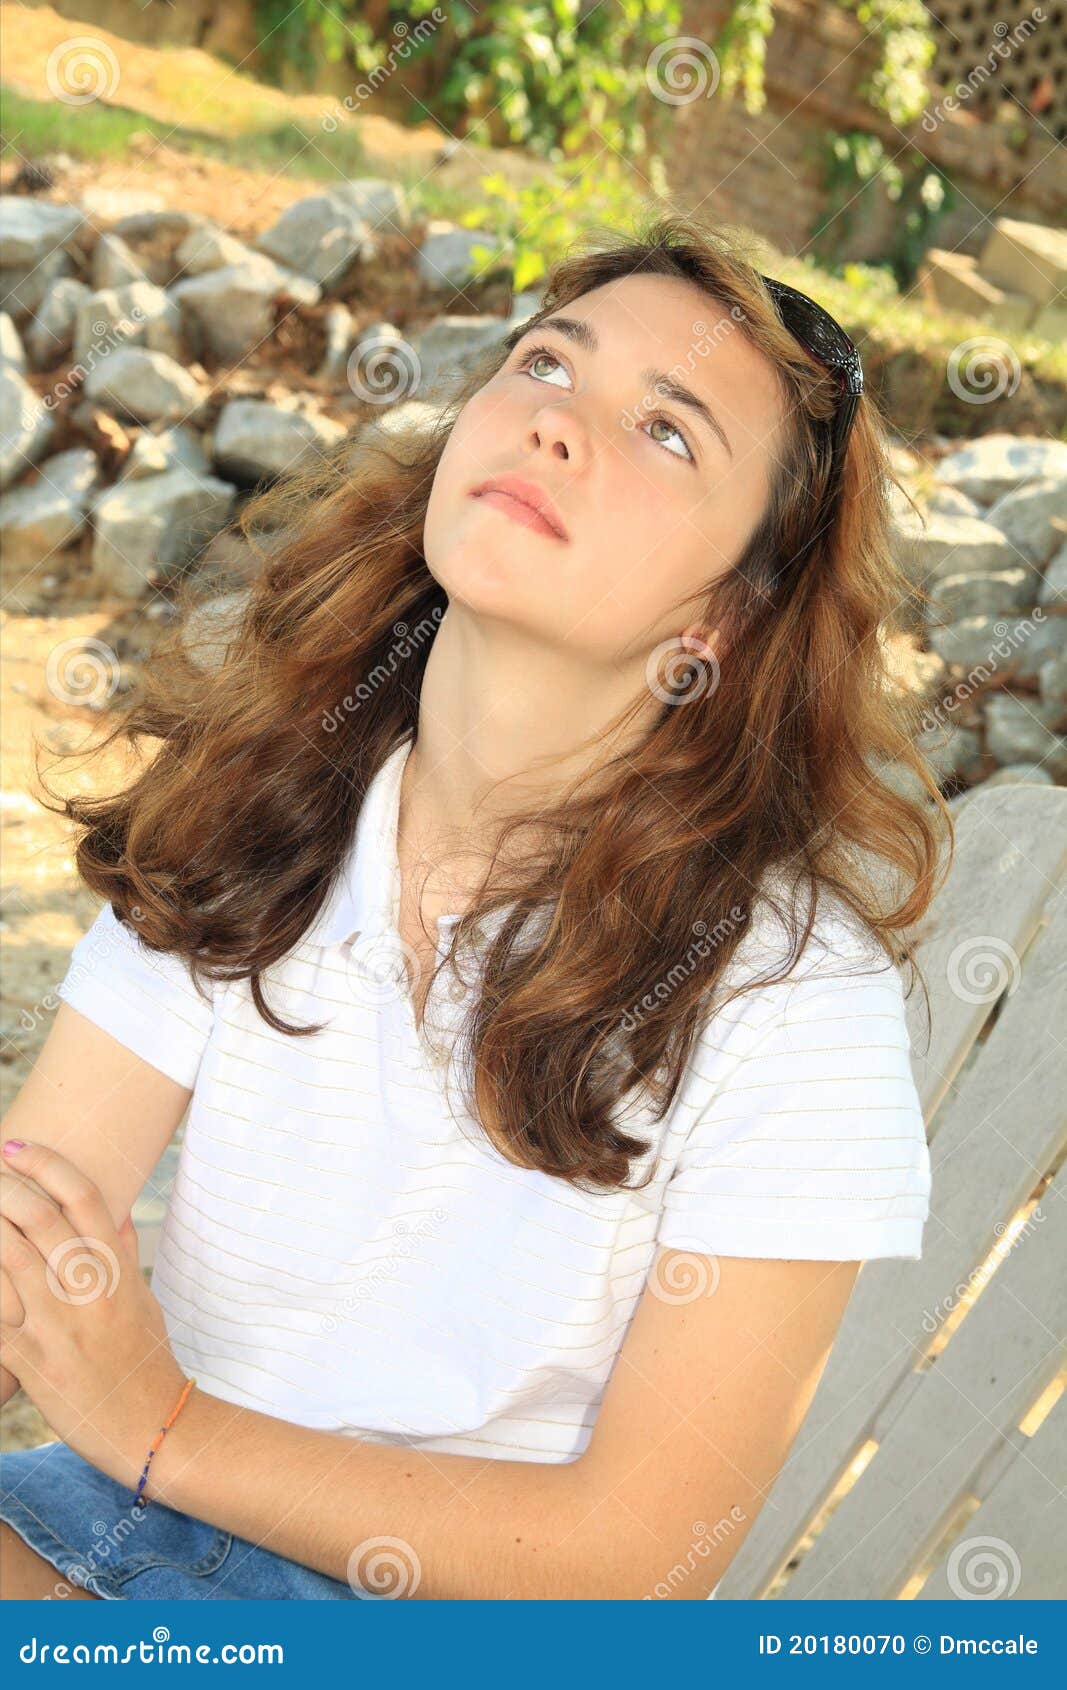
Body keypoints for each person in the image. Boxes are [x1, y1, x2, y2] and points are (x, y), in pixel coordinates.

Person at [0, 211, 947, 1601]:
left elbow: (636, 1553)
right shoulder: (271, 795)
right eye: (549, 364)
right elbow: (40, 1214)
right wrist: (128, 1412)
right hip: (129, 1522)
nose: (560, 424)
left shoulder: (793, 997)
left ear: (723, 623)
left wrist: (167, 1426)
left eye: (669, 431)